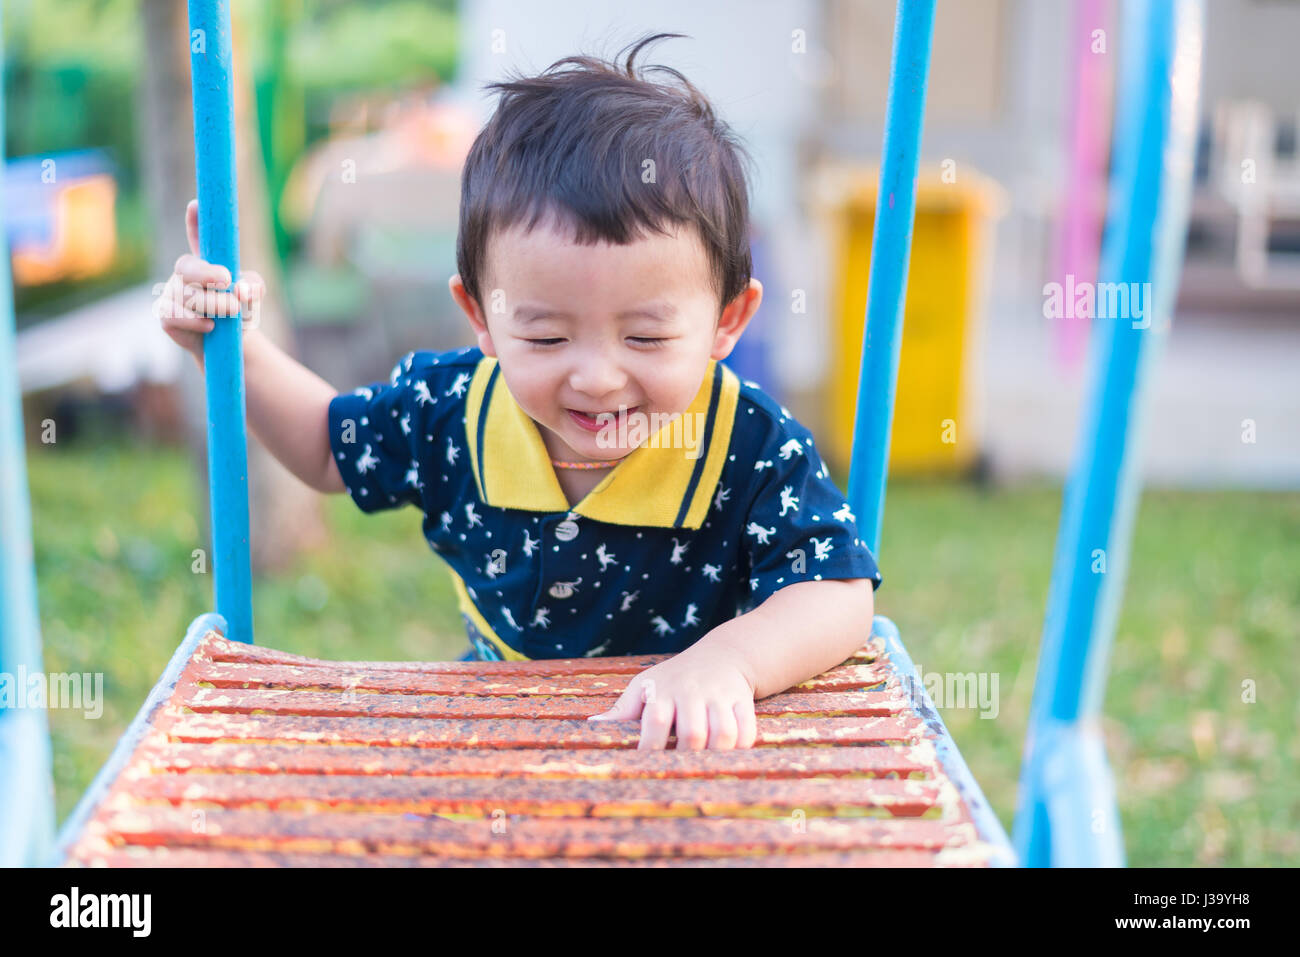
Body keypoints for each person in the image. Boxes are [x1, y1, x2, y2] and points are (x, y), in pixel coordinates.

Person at [157, 32, 881, 751]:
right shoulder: (455, 410)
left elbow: (837, 592)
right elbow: (325, 446)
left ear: (727, 320)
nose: (596, 377)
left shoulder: (748, 445)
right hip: (497, 740)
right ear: (482, 317)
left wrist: (730, 662)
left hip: (672, 745)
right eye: (547, 337)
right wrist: (232, 349)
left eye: (645, 337)